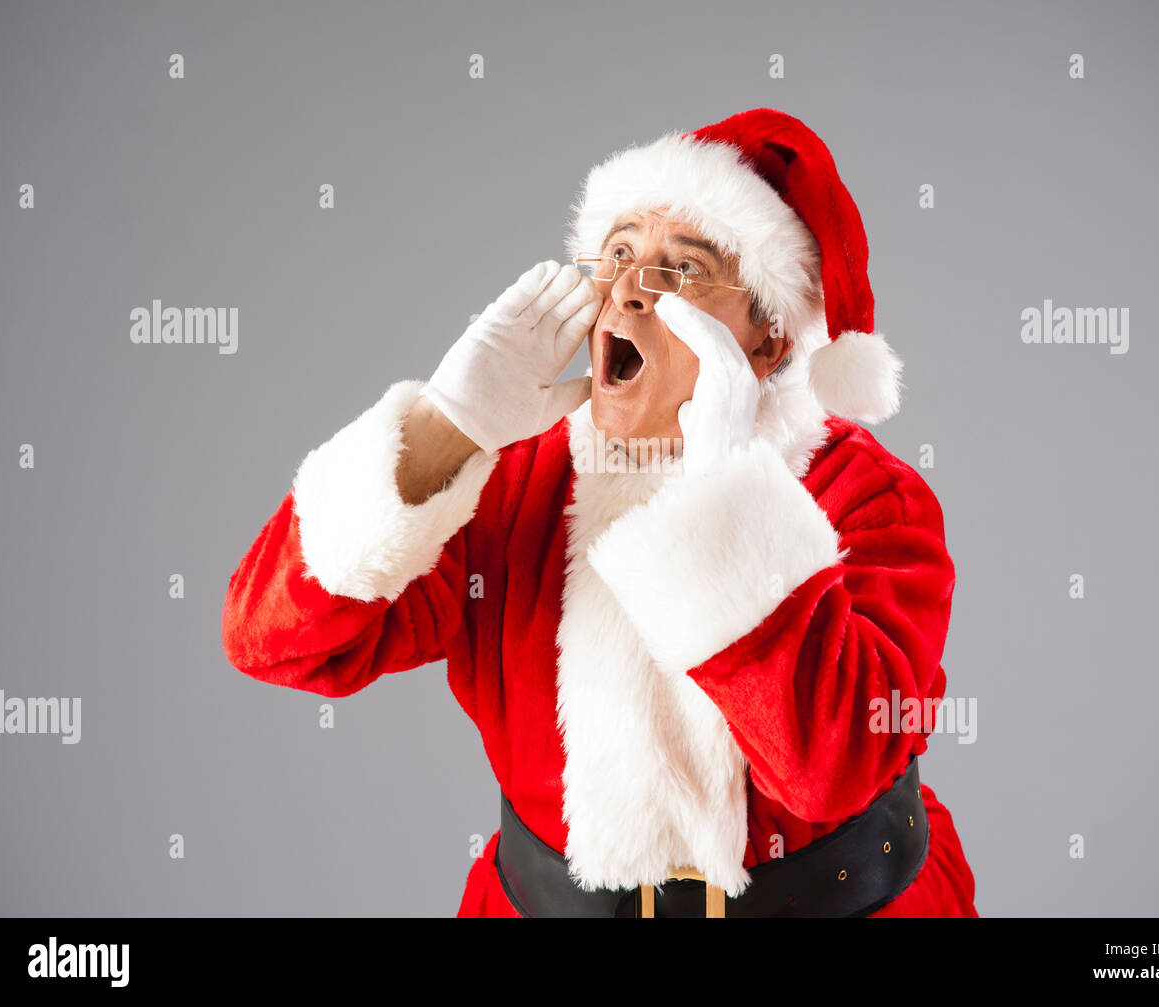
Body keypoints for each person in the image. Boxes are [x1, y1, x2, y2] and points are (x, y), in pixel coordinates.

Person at [221, 107, 978, 917]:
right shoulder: (516, 483)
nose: (626, 291)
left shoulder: (868, 499)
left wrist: (725, 505)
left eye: (681, 270)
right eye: (617, 255)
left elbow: (830, 767)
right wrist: (446, 429)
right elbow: (275, 643)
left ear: (770, 342)